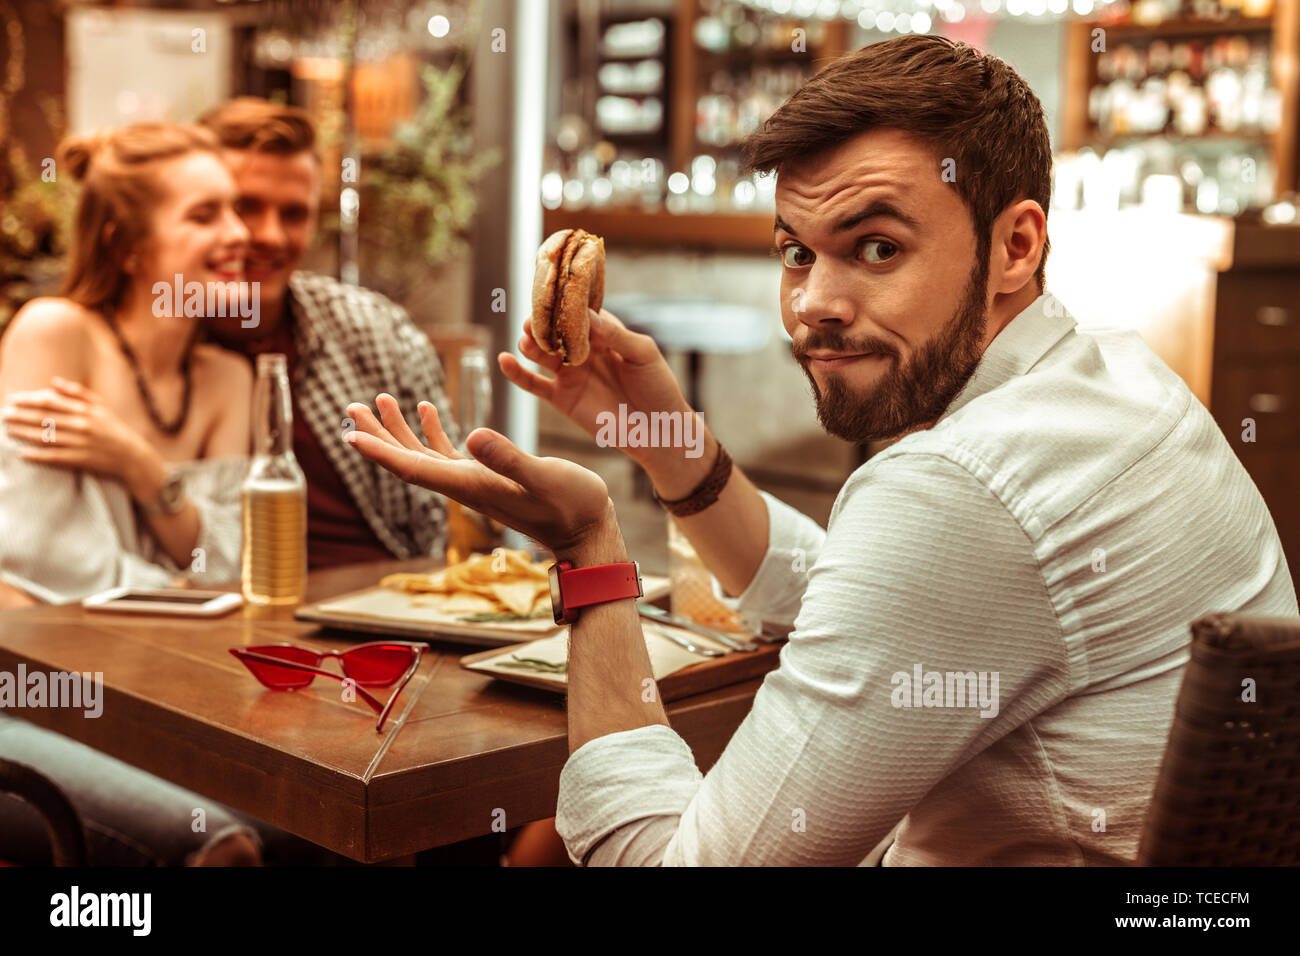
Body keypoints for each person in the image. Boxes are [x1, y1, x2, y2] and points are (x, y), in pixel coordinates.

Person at [343, 35, 1297, 865]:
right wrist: (668, 439)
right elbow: (871, 602)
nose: (814, 305)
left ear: (1016, 245)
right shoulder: (1120, 381)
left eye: (876, 248)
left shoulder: (962, 488)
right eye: (796, 251)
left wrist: (591, 550)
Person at [0, 122, 262, 865]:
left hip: (162, 704)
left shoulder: (228, 381)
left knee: (337, 822)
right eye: (204, 214)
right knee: (226, 845)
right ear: (124, 245)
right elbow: (38, 581)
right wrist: (188, 570)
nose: (239, 234)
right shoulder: (56, 334)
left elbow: (231, 568)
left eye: (236, 209)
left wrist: (140, 467)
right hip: (26, 700)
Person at [194, 97, 464, 570]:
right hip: (223, 620)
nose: (271, 237)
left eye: (294, 214)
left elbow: (451, 512)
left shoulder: (376, 331)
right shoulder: (154, 345)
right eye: (245, 207)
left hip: (387, 609)